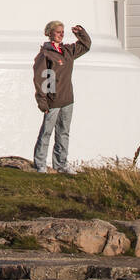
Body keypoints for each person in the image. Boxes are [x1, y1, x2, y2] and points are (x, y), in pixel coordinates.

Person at [32, 20, 91, 173]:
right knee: (46, 132)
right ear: (50, 33)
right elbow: (41, 78)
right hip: (52, 100)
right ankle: (40, 164)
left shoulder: (67, 51)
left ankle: (61, 164)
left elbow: (86, 45)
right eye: (58, 31)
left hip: (67, 99)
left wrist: (80, 32)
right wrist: (42, 101)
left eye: (63, 32)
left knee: (63, 133)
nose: (61, 34)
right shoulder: (45, 54)